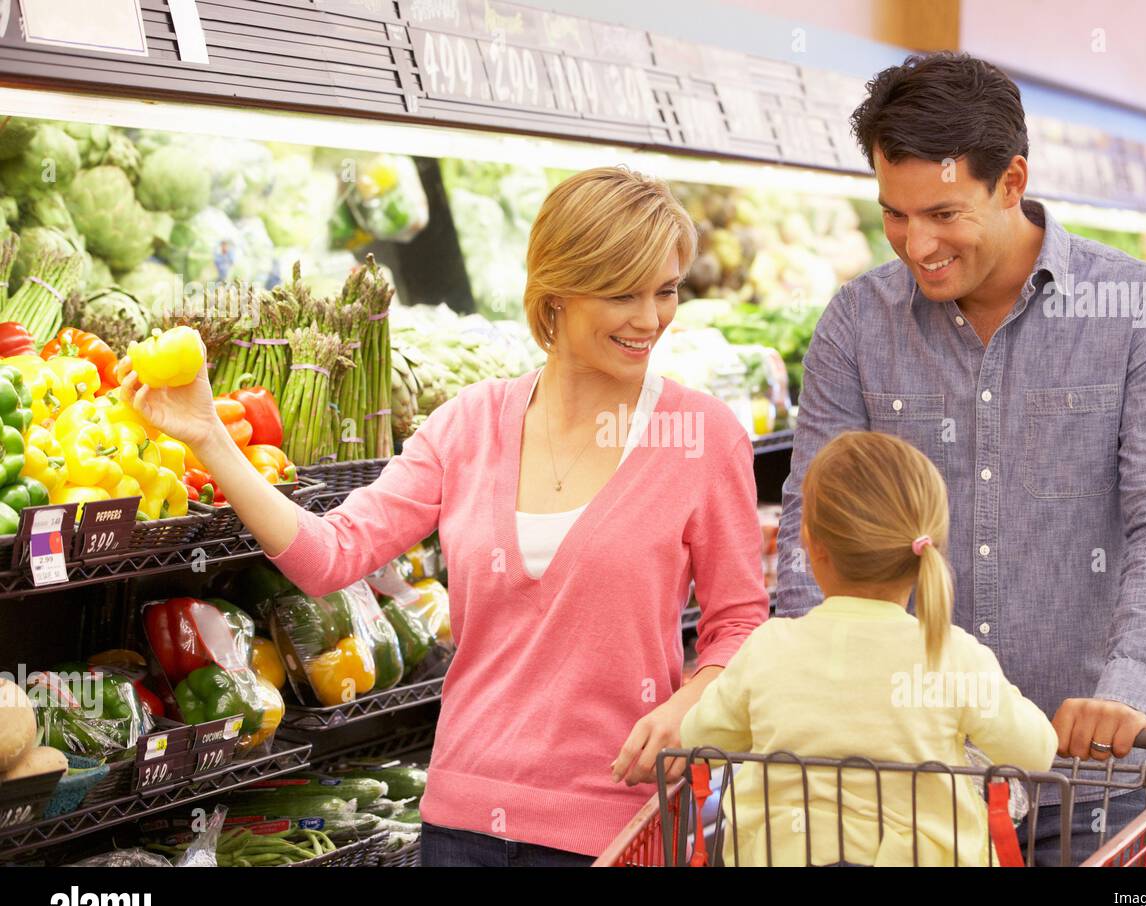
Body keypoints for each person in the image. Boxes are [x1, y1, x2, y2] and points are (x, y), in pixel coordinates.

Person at [118, 166, 770, 867]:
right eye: (623, 293)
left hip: (613, 823)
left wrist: (687, 707)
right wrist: (212, 437)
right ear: (556, 292)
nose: (651, 319)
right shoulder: (468, 426)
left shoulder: (702, 436)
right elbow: (329, 555)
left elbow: (740, 622)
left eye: (665, 291)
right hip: (463, 823)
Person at [775, 52, 1146, 866]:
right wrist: (804, 689)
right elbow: (813, 522)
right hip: (901, 785)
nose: (918, 244)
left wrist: (1126, 688)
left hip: (1081, 777)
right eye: (895, 215)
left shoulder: (1140, 312)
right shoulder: (856, 324)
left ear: (1012, 181)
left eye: (943, 212)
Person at [681, 431, 1057, 866]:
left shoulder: (769, 648)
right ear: (926, 547)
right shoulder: (954, 656)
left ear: (811, 542)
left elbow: (698, 740)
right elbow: (1035, 751)